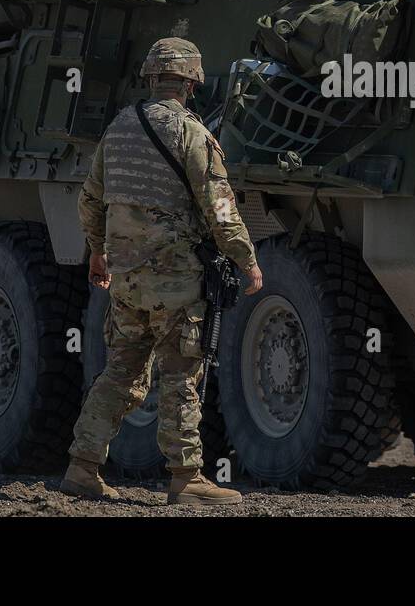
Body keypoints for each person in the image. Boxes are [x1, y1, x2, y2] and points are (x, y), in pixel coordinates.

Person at [59, 37, 263, 505]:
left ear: (151, 78)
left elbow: (91, 199)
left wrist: (97, 253)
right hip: (176, 282)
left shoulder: (118, 129)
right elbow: (219, 207)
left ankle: (82, 467)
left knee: (120, 373)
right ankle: (185, 478)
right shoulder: (191, 134)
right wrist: (247, 261)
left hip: (127, 280)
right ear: (191, 82)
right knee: (179, 376)